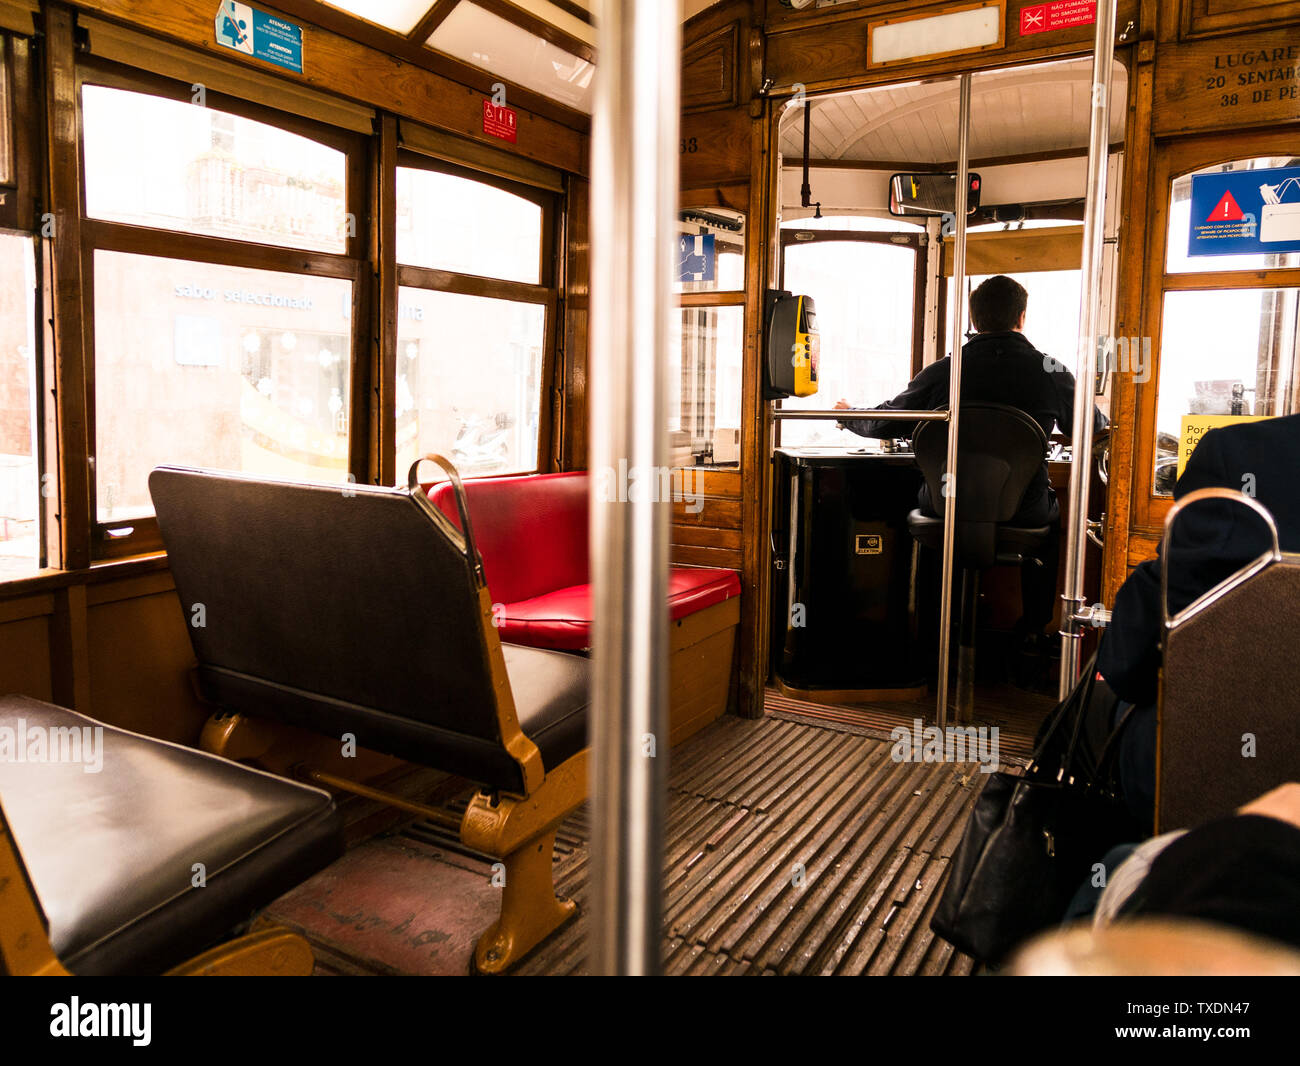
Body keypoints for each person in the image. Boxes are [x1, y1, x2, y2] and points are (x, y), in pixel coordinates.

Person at [834, 274, 1107, 658]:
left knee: (915, 504)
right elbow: (1095, 429)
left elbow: (886, 421)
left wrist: (847, 414)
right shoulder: (1051, 370)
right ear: (1022, 317)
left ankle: (928, 628)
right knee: (1050, 521)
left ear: (975, 320)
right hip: (1024, 510)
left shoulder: (946, 369)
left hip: (945, 505)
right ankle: (1033, 632)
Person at [1097, 413, 1300, 828]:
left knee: (1097, 711)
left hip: (1224, 777)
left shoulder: (1240, 455)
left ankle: (1125, 861)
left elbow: (1129, 663)